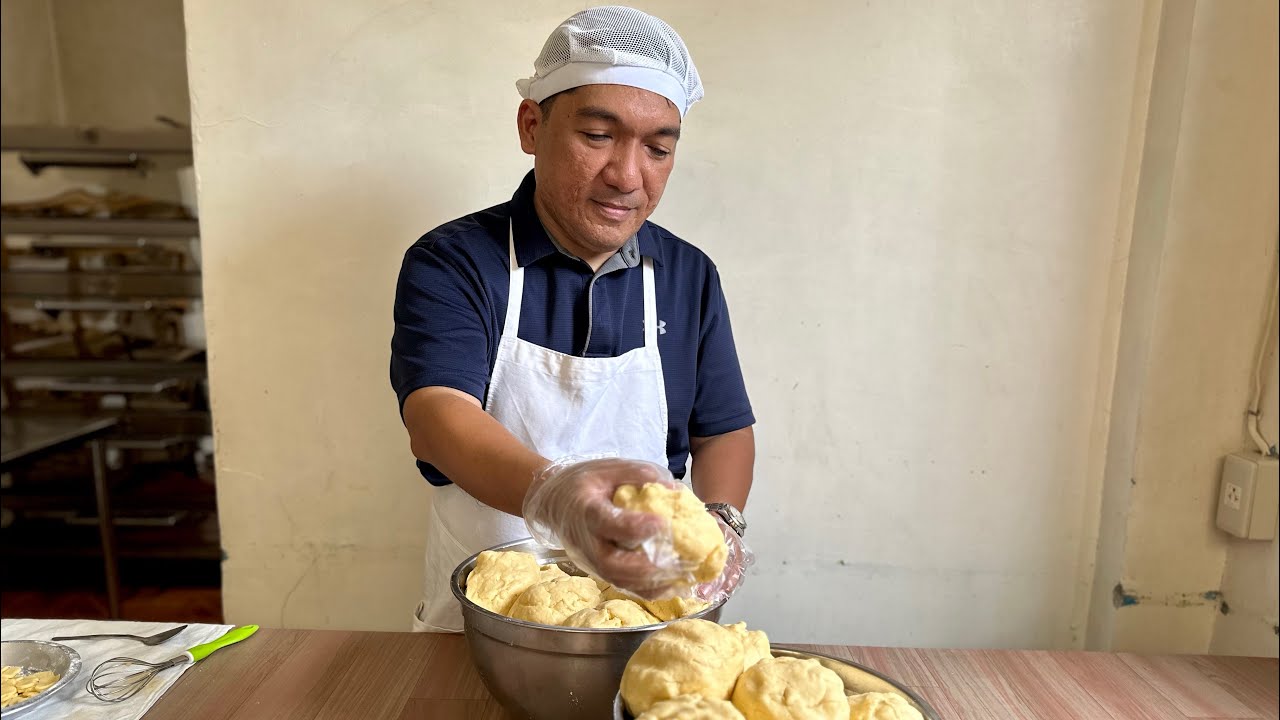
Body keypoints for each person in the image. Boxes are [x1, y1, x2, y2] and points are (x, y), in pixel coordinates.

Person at [391, 6, 755, 632]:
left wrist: (720, 524)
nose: (627, 176)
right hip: (481, 626)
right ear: (532, 124)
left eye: (659, 149)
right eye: (597, 135)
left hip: (645, 623)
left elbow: (722, 431)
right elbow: (437, 417)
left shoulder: (687, 276)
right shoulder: (455, 262)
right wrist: (559, 499)